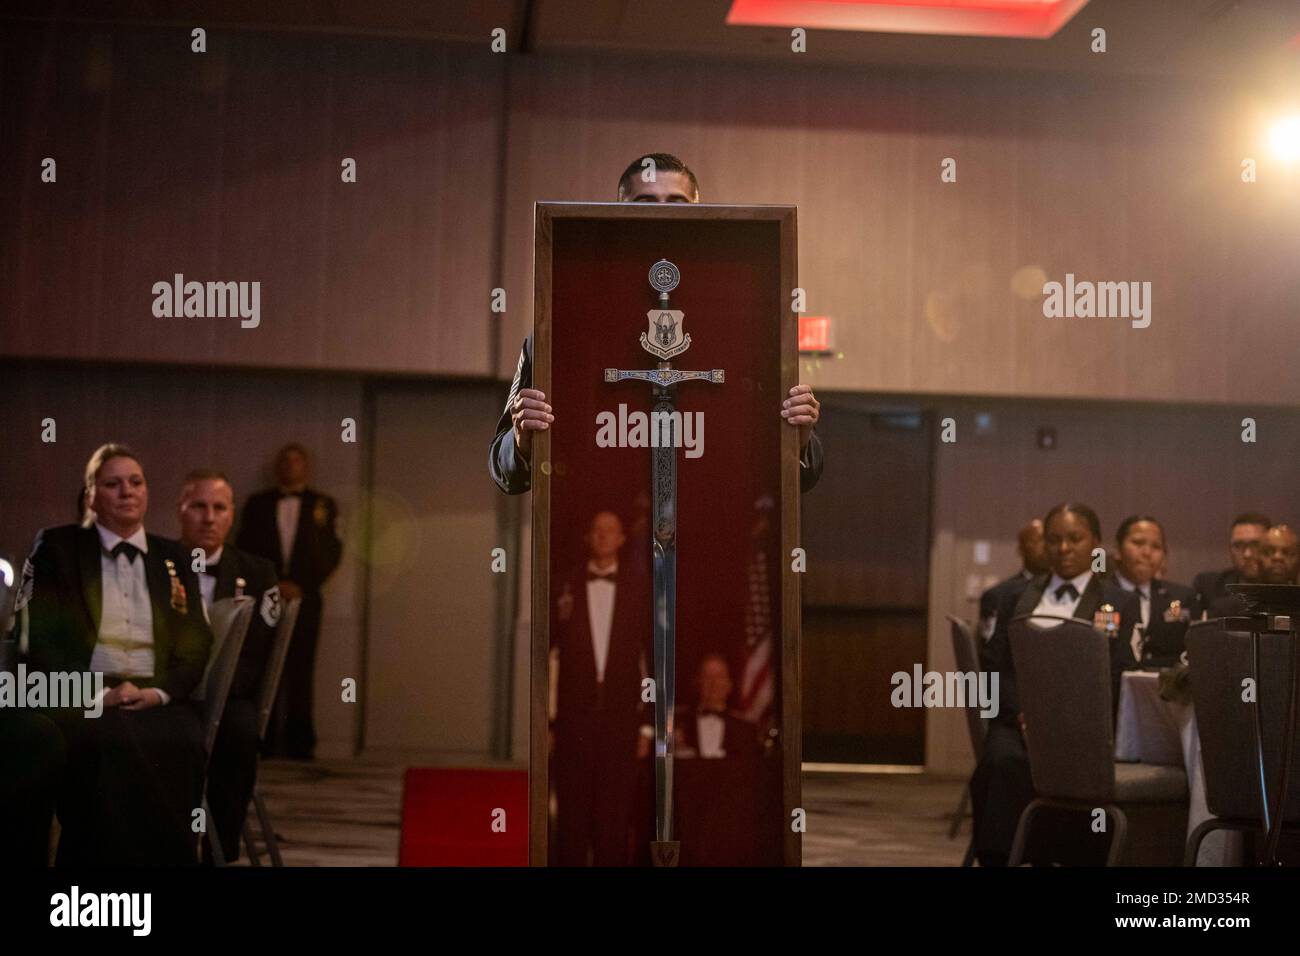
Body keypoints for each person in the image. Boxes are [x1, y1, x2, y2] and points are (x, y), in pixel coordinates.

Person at [489, 152, 824, 496]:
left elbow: (803, 478)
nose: (662, 215)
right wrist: (522, 441)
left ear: (698, 214)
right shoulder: (561, 331)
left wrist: (799, 439)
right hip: (599, 519)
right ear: (618, 213)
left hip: (712, 516)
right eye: (645, 202)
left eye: (677, 204)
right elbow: (504, 472)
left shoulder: (746, 329)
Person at [10, 443, 212, 865]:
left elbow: (197, 642)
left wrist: (157, 693)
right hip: (85, 692)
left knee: (183, 738)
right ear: (91, 496)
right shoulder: (58, 548)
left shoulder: (174, 557)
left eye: (136, 482)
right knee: (103, 741)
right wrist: (99, 697)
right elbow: (36, 638)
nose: (127, 492)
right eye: (113, 484)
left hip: (154, 693)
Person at [970, 502, 1140, 867]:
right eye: (1054, 540)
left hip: (1082, 727)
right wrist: (1023, 715)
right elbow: (995, 669)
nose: (1063, 549)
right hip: (1019, 722)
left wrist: (1064, 718)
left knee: (1075, 769)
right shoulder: (1013, 597)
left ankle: (1066, 857)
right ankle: (1002, 858)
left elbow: (1117, 673)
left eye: (1074, 539)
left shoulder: (1118, 601)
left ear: (1095, 543)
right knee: (1002, 762)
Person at [178, 469, 282, 862]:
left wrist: (214, 694)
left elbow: (257, 652)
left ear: (231, 514)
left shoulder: (258, 572)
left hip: (227, 693)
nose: (209, 517)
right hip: (171, 691)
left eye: (218, 508)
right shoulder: (158, 561)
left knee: (238, 729)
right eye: (199, 507)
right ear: (180, 511)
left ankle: (219, 848)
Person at [549, 510, 650, 865]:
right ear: (588, 537)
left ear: (622, 539)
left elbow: (648, 660)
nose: (604, 537)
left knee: (614, 817)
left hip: (621, 723)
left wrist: (648, 725)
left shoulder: (640, 590)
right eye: (598, 530)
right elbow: (551, 658)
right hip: (574, 720)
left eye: (611, 531)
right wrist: (549, 722)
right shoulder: (565, 586)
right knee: (572, 816)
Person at [236, 443, 342, 759]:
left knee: (301, 668)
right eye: (285, 461)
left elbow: (332, 551)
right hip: (266, 597)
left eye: (297, 461)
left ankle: (300, 742)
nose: (290, 466)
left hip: (306, 598)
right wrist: (273, 584)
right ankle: (263, 741)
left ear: (306, 467)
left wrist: (301, 584)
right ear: (277, 467)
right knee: (265, 665)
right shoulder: (257, 504)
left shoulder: (323, 504)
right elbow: (245, 546)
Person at [1111, 515, 1197, 667]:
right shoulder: (1100, 594)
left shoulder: (1182, 598)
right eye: (1138, 543)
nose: (1147, 552)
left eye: (1156, 547)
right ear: (1118, 549)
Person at [977, 518, 1050, 642]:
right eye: (1036, 541)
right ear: (1021, 549)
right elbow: (990, 650)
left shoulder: (1063, 591)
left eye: (1049, 541)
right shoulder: (997, 596)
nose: (1044, 547)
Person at [1193, 512, 1270, 619]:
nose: (1247, 554)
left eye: (1256, 545)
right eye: (1238, 546)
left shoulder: (1285, 588)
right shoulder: (1209, 586)